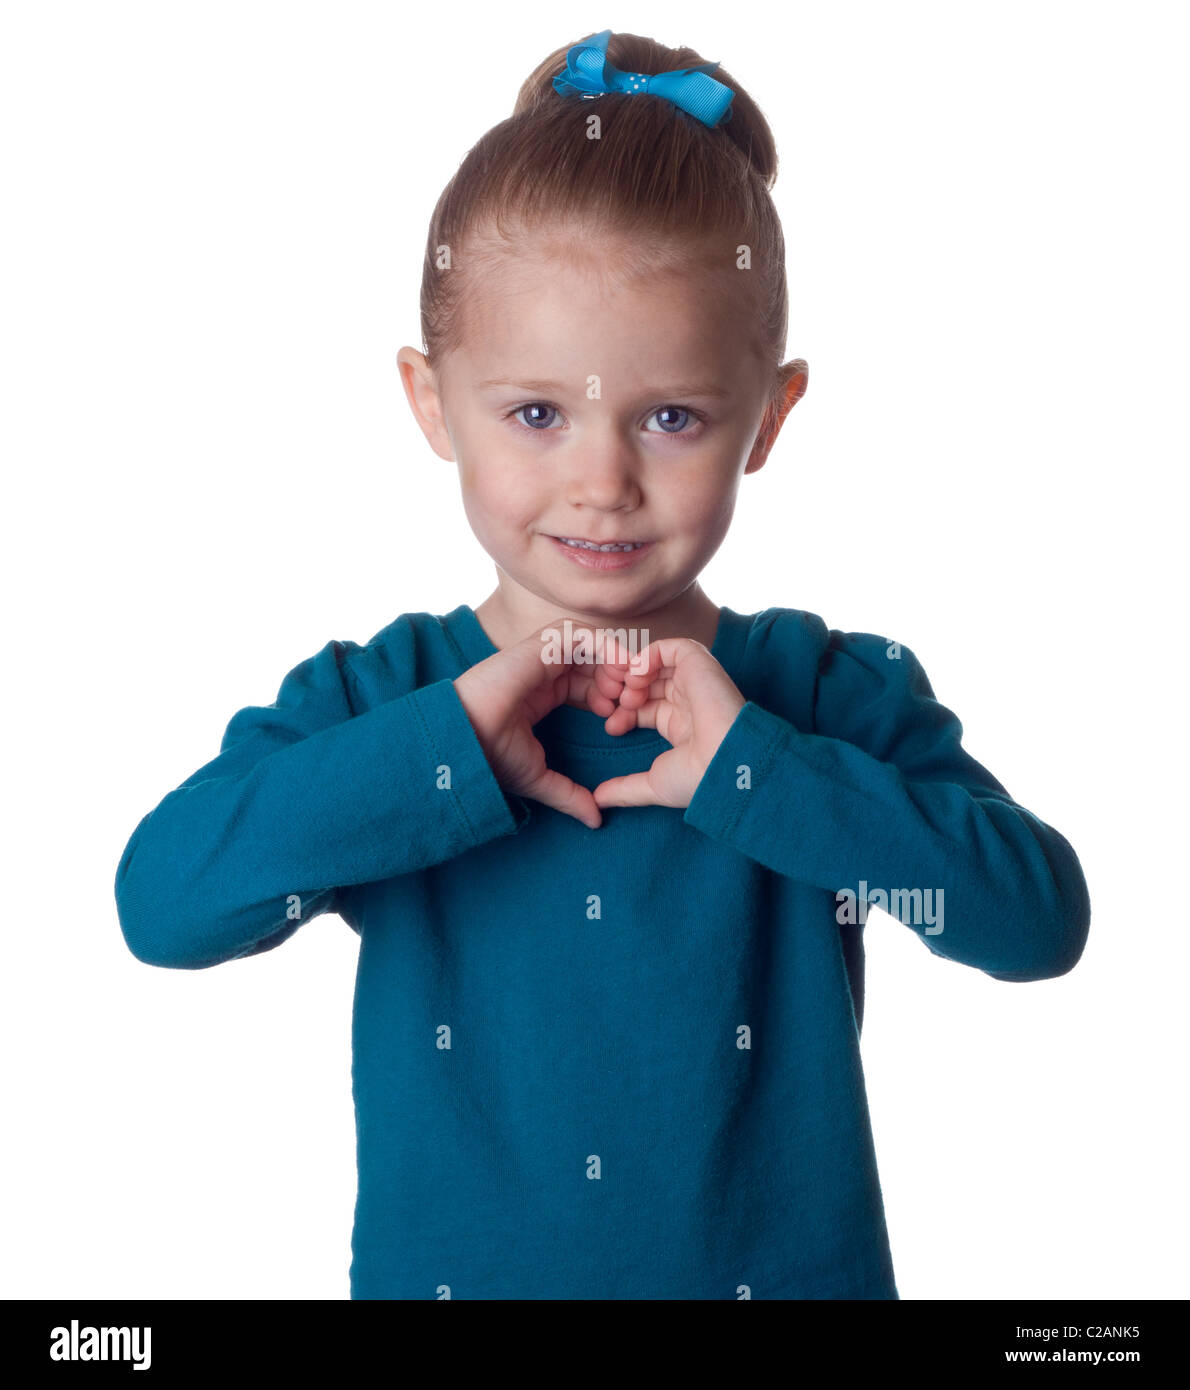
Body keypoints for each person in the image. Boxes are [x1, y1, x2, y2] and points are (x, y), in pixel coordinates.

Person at [113, 28, 1091, 1300]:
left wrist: (759, 771)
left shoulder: (819, 696)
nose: (602, 481)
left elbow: (1032, 926)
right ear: (430, 403)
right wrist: (444, 749)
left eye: (670, 417)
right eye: (535, 414)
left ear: (767, 419)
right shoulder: (383, 699)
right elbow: (164, 906)